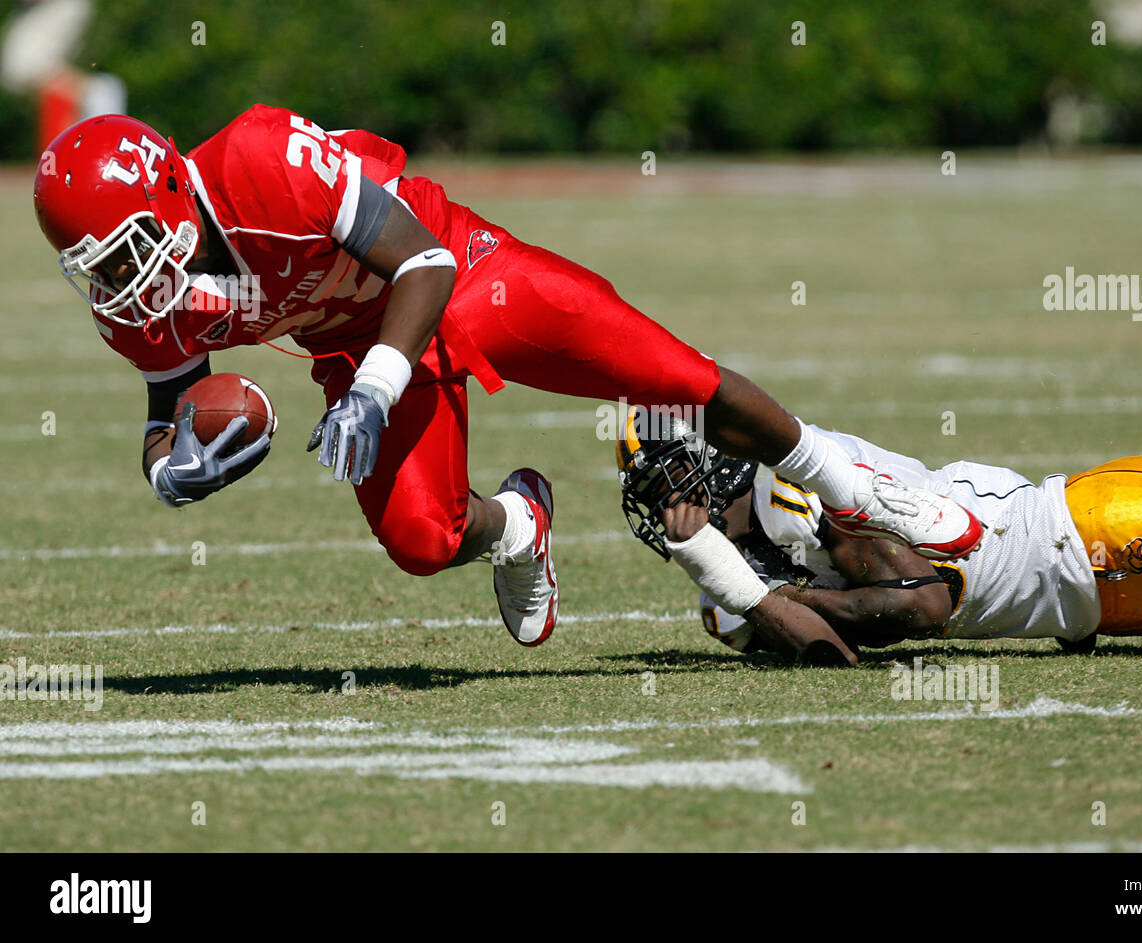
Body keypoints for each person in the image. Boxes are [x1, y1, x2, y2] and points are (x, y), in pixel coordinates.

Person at [33, 106, 985, 648]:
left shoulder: (259, 161)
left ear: (165, 192)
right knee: (420, 537)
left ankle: (851, 481)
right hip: (358, 350)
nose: (122, 283)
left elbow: (421, 267)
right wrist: (168, 469)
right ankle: (524, 521)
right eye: (99, 271)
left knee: (667, 373)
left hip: (457, 271)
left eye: (125, 253)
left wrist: (373, 382)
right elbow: (169, 401)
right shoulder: (137, 300)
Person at [615, 408, 1142, 665]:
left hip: (1120, 532)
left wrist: (774, 592)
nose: (665, 509)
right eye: (649, 496)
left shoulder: (791, 497)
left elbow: (922, 604)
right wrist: (738, 583)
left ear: (713, 465)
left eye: (667, 483)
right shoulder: (726, 585)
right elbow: (835, 658)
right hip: (1108, 597)